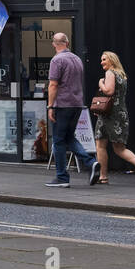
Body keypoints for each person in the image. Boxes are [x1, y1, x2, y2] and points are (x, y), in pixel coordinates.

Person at [45, 32, 99, 187]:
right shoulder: (77, 59)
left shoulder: (56, 60)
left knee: (58, 140)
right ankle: (90, 162)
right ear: (67, 43)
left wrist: (50, 106)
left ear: (54, 44)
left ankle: (62, 177)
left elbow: (53, 85)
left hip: (62, 105)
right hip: (77, 104)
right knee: (69, 137)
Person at [91, 51, 135, 185]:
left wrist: (101, 83)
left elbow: (109, 91)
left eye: (104, 59)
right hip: (120, 113)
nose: (101, 62)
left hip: (109, 115)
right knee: (119, 148)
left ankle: (103, 176)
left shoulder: (110, 73)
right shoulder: (122, 75)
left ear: (112, 60)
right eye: (101, 60)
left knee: (100, 145)